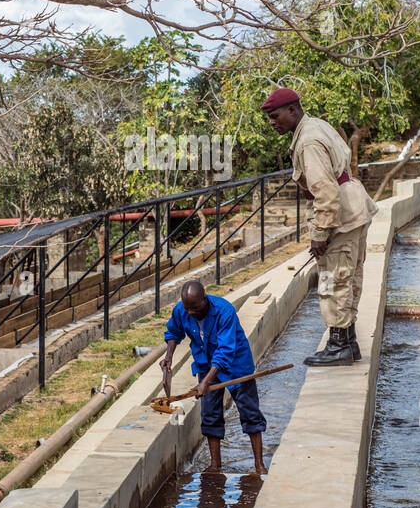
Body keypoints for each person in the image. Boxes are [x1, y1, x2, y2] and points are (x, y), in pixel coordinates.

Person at [262, 88, 377, 366]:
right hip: (354, 208)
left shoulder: (308, 142)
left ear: (293, 110)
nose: (273, 123)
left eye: (275, 116)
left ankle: (339, 345)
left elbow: (326, 192)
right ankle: (347, 342)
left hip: (340, 216)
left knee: (333, 280)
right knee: (348, 277)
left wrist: (320, 233)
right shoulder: (317, 125)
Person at [161, 281, 268, 474]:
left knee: (250, 412)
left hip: (236, 366)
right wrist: (168, 356)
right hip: (205, 364)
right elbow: (174, 332)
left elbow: (226, 351)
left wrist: (206, 382)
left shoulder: (224, 311)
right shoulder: (181, 310)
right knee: (210, 414)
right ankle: (215, 465)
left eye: (195, 308)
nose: (191, 313)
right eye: (188, 309)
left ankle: (259, 465)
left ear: (205, 299)